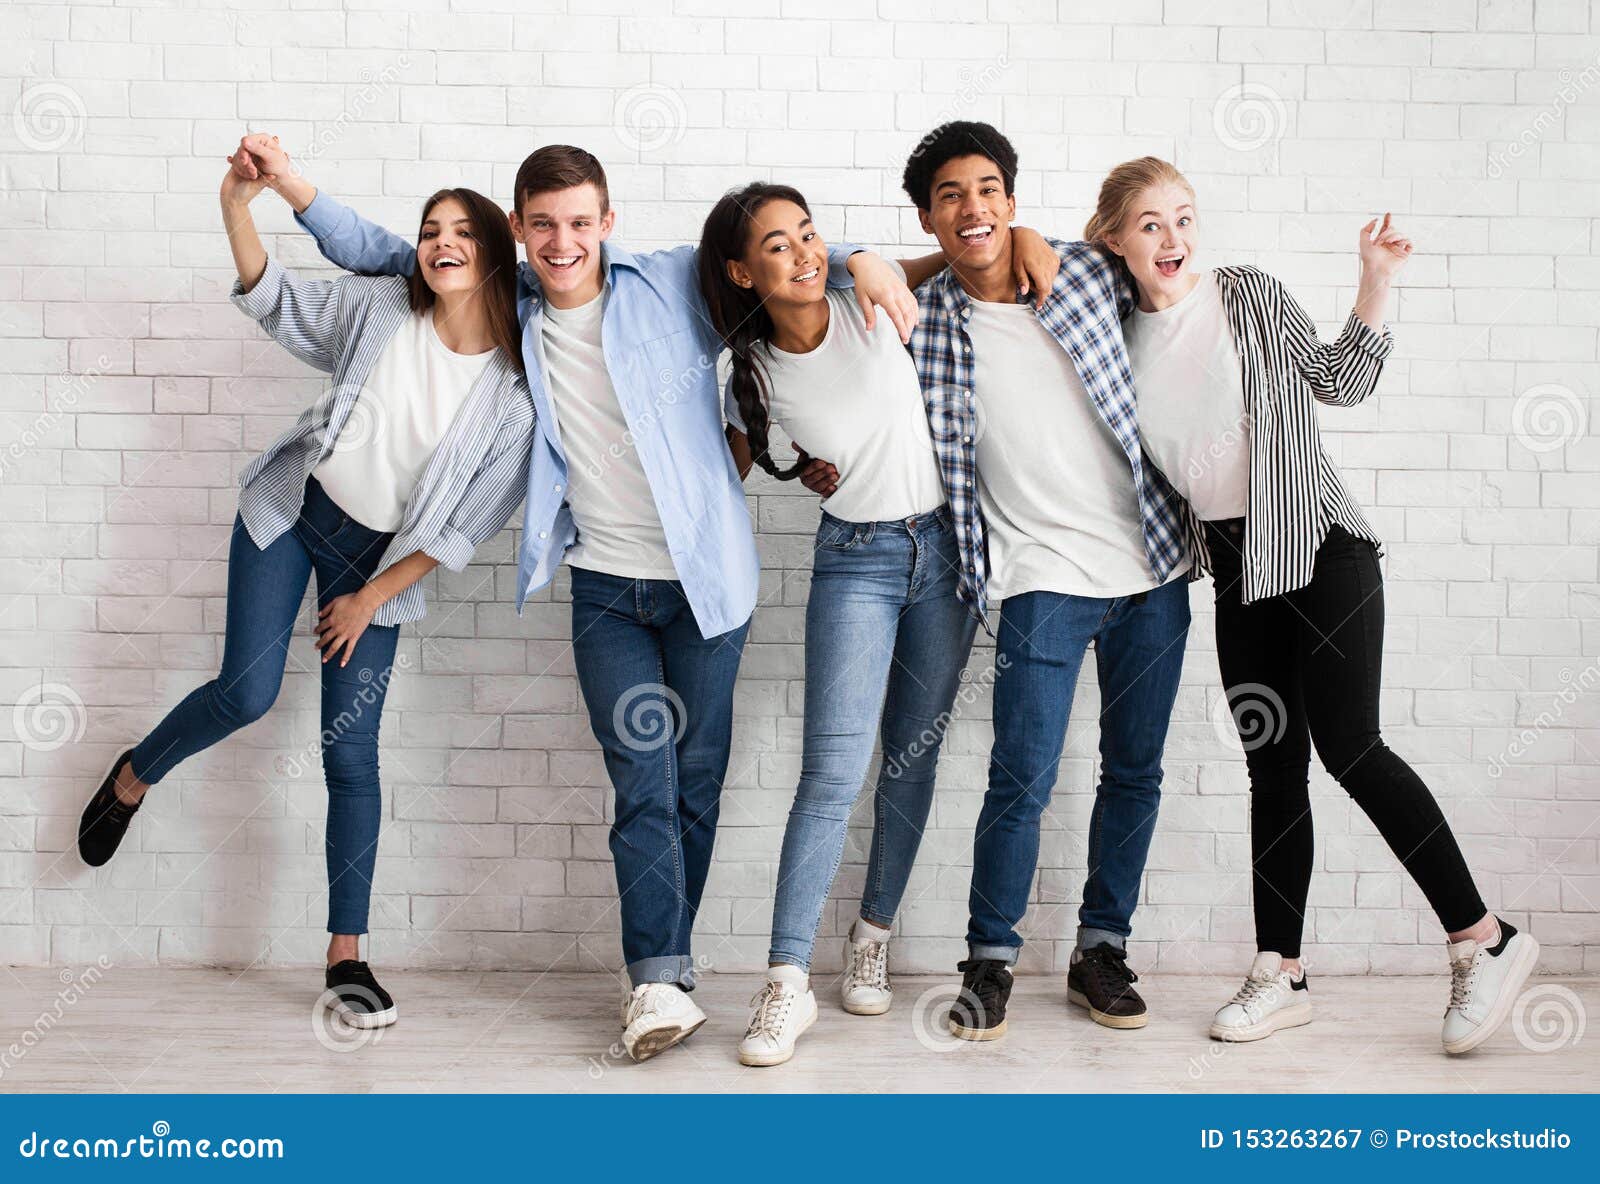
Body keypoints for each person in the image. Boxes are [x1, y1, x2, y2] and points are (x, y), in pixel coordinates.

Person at [229, 134, 918, 1061]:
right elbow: (381, 250)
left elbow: (765, 260)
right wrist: (288, 187)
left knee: (696, 787)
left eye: (581, 222)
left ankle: (669, 968)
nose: (564, 242)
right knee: (644, 782)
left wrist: (861, 258)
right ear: (517, 229)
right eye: (544, 225)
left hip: (708, 585)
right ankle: (654, 983)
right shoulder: (503, 298)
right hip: (605, 590)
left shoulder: (670, 281)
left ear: (608, 222)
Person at [77, 140, 536, 1032]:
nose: (442, 243)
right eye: (429, 231)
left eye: (461, 233)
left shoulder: (516, 393)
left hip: (381, 570)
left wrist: (369, 598)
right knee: (246, 694)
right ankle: (133, 775)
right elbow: (276, 302)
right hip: (293, 511)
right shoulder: (378, 305)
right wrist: (238, 207)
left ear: (492, 253)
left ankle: (347, 961)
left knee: (348, 755)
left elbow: (460, 528)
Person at [1092, 155, 1539, 1054]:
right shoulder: (1113, 336)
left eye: (1183, 217)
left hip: (1320, 548)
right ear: (1115, 240)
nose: (1173, 238)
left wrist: (1374, 282)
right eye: (1150, 224)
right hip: (1236, 568)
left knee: (1353, 747)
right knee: (1273, 768)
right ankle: (1281, 971)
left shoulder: (1246, 294)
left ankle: (1483, 939)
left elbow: (1341, 379)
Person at [801, 122, 1196, 1040]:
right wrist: (863, 257)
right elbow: (793, 276)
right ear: (929, 219)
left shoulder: (1089, 272)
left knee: (1134, 771)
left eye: (988, 191)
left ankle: (1102, 949)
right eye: (950, 196)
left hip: (1152, 567)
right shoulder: (915, 317)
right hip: (1034, 577)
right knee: (1021, 774)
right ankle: (991, 957)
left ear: (1012, 201)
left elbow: (1171, 275)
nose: (972, 208)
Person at [697, 183, 1059, 1066]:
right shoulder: (748, 373)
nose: (806, 253)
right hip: (854, 560)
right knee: (831, 770)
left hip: (945, 552)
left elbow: (972, 253)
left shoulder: (870, 292)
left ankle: (872, 934)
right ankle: (784, 983)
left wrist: (1027, 236)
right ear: (744, 273)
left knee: (911, 754)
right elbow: (716, 477)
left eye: (810, 234)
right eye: (779, 246)